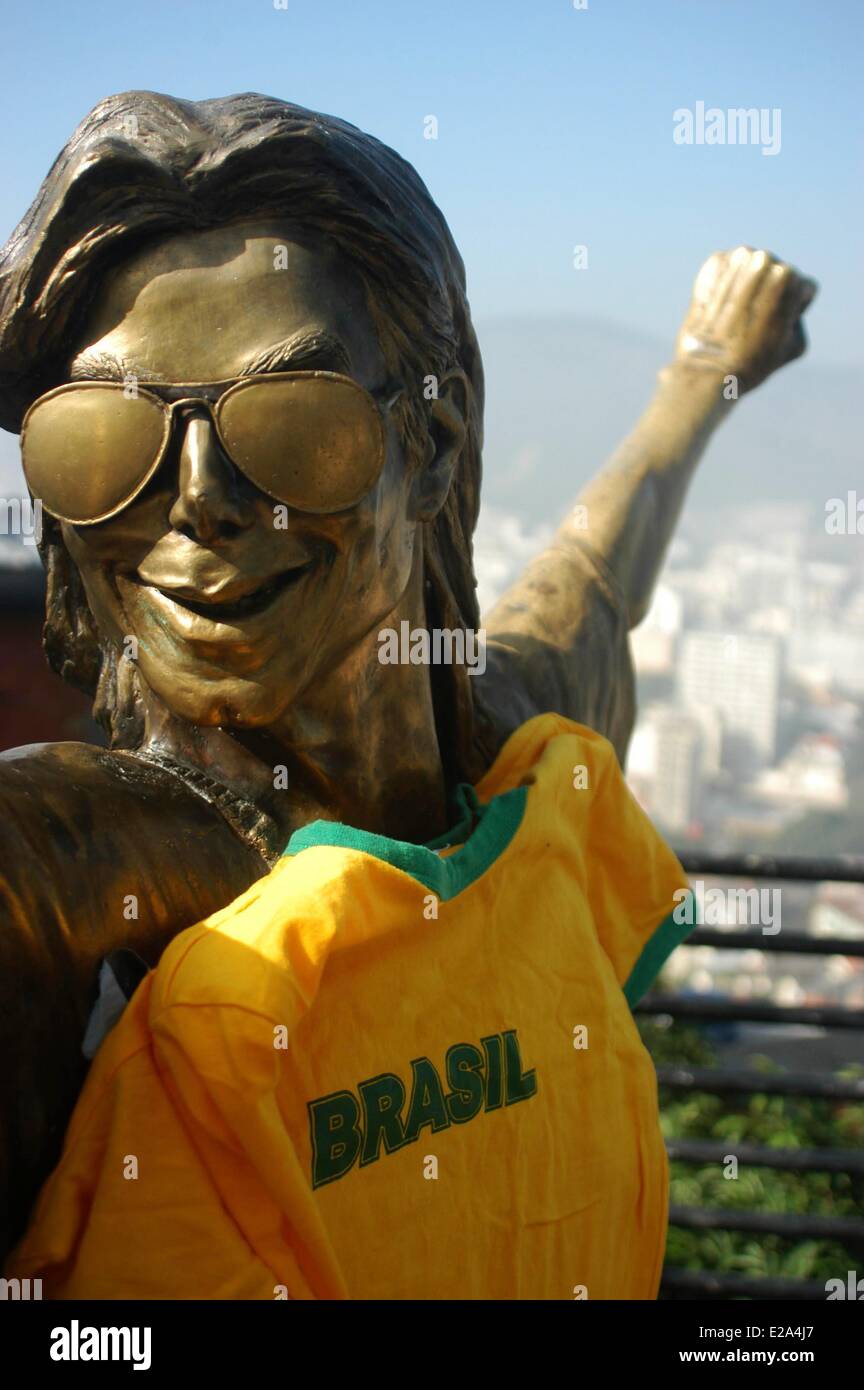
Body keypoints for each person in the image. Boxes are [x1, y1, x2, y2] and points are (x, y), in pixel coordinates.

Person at [0, 91, 815, 1288]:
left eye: (288, 414)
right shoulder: (70, 872)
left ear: (429, 445)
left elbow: (592, 575)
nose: (197, 495)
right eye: (96, 437)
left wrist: (709, 369)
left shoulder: (514, 759)